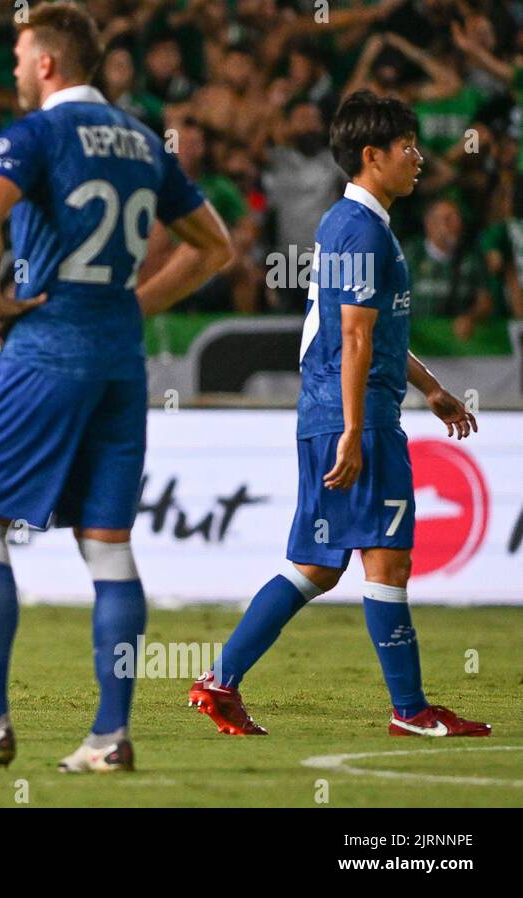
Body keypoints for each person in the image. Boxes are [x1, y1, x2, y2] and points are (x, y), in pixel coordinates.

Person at [0, 3, 232, 772]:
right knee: (110, 547)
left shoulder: (32, 135)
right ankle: (109, 737)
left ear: (47, 63)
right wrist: (129, 302)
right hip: (121, 355)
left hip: (48, 344)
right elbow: (214, 248)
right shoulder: (144, 139)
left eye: (21, 56)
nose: (15, 68)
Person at [188, 91, 490, 739]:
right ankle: (410, 710)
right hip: (355, 418)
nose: (418, 158)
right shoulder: (360, 229)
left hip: (330, 411)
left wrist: (431, 387)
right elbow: (354, 338)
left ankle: (219, 681)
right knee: (386, 558)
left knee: (318, 564)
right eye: (406, 147)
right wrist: (356, 429)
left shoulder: (351, 225)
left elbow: (371, 333)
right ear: (371, 156)